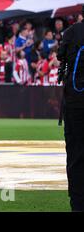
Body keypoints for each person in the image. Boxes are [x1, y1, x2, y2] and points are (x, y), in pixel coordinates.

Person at [57, 15, 84, 212]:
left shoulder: (72, 31)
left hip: (75, 101)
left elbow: (61, 56)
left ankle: (77, 204)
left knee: (75, 156)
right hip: (75, 100)